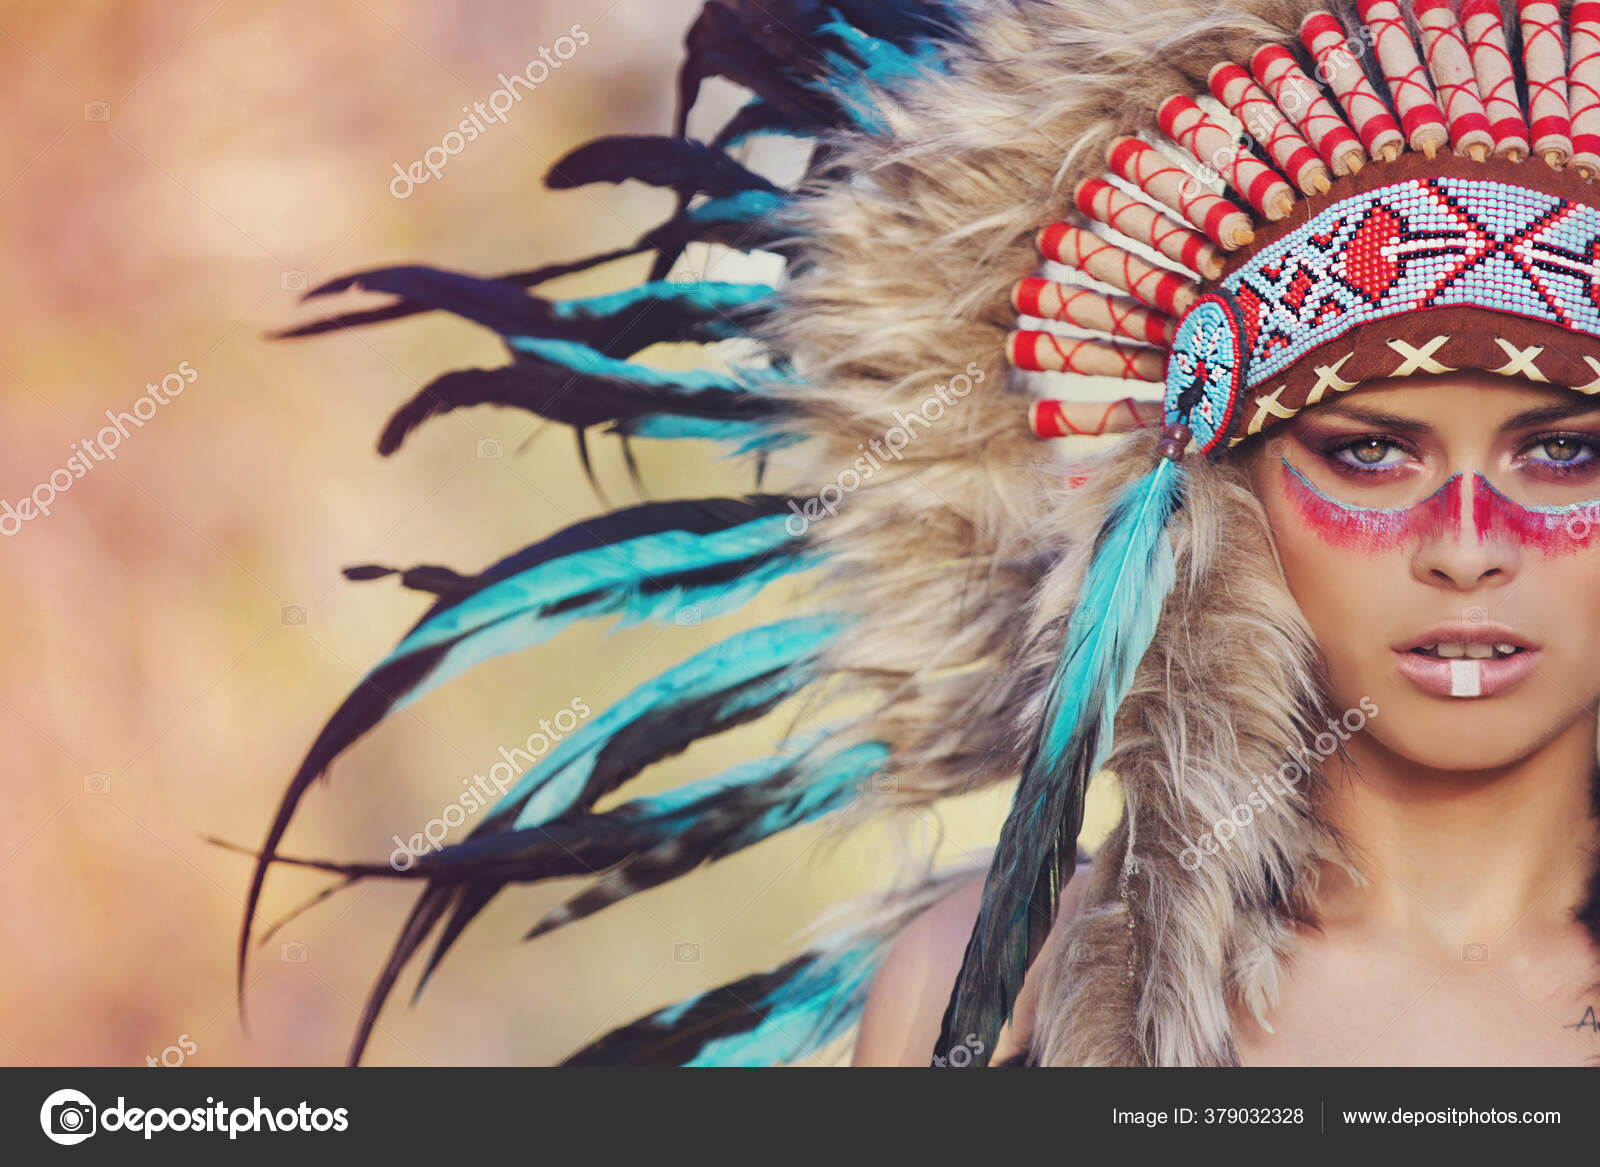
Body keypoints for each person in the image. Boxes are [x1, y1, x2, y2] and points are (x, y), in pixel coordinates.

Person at [244, 0, 1600, 1065]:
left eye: (1564, 451)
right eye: (1367, 451)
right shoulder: (987, 990)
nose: (1469, 543)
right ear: (1208, 511)